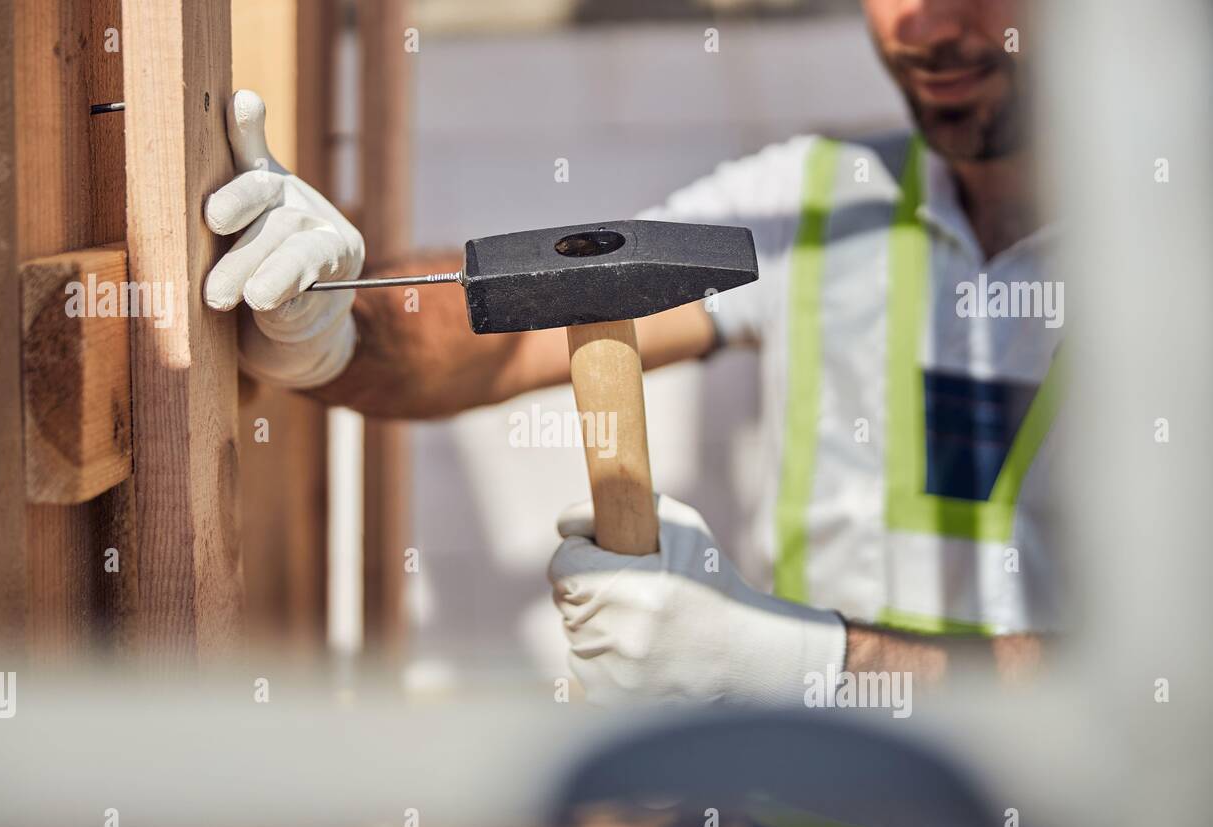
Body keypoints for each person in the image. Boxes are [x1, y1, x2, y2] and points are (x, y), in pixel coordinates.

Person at [203, 0, 1053, 708]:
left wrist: (806, 668)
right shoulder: (823, 197)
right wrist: (333, 329)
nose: (928, 25)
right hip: (806, 817)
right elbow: (502, 338)